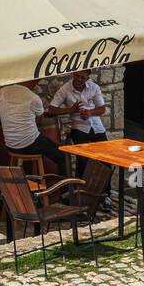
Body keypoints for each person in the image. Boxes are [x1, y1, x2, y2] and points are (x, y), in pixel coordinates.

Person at [47, 70, 113, 210]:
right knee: (83, 161)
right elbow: (51, 110)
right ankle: (83, 196)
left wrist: (90, 112)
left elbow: (102, 109)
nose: (79, 80)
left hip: (96, 127)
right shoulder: (65, 89)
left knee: (107, 161)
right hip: (79, 128)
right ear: (73, 75)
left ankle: (105, 195)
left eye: (82, 78)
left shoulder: (93, 87)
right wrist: (71, 110)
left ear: (88, 78)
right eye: (77, 76)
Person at [0, 79, 68, 178]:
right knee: (63, 156)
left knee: (42, 142)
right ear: (34, 83)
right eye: (36, 83)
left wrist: (10, 125)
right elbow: (39, 120)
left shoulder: (2, 91)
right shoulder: (34, 98)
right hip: (29, 144)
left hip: (10, 144)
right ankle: (65, 191)